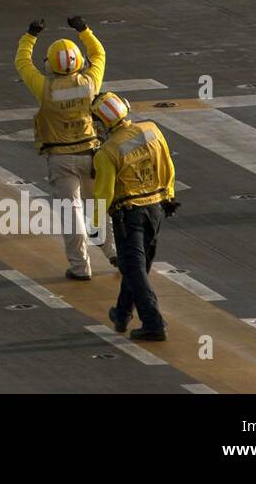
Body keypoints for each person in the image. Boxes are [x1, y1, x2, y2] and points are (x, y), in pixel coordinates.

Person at [14, 15, 116, 280]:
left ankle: (80, 267)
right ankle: (113, 252)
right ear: (78, 62)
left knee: (71, 214)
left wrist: (31, 35)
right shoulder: (90, 82)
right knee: (97, 207)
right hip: (90, 155)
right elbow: (99, 53)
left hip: (60, 158)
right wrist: (84, 30)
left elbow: (22, 63)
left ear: (50, 65)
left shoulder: (44, 87)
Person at [90, 92, 179, 341]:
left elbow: (103, 193)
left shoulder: (106, 152)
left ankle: (153, 322)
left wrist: (96, 223)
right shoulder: (151, 129)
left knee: (135, 269)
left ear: (103, 122)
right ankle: (121, 313)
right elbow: (168, 166)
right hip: (157, 208)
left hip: (130, 216)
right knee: (137, 268)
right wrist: (169, 195)